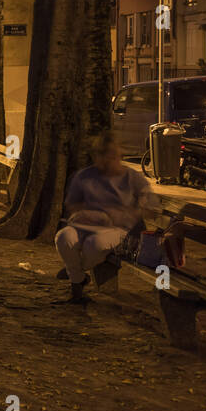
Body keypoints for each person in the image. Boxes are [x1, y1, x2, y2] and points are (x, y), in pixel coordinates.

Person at [54, 129, 159, 303]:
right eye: (102, 156)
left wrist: (130, 211)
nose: (107, 161)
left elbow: (152, 209)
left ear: (119, 155)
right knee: (63, 238)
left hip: (118, 229)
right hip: (86, 225)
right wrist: (83, 214)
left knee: (94, 244)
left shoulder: (133, 178)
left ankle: (75, 275)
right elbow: (72, 204)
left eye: (111, 155)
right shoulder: (85, 176)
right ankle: (79, 278)